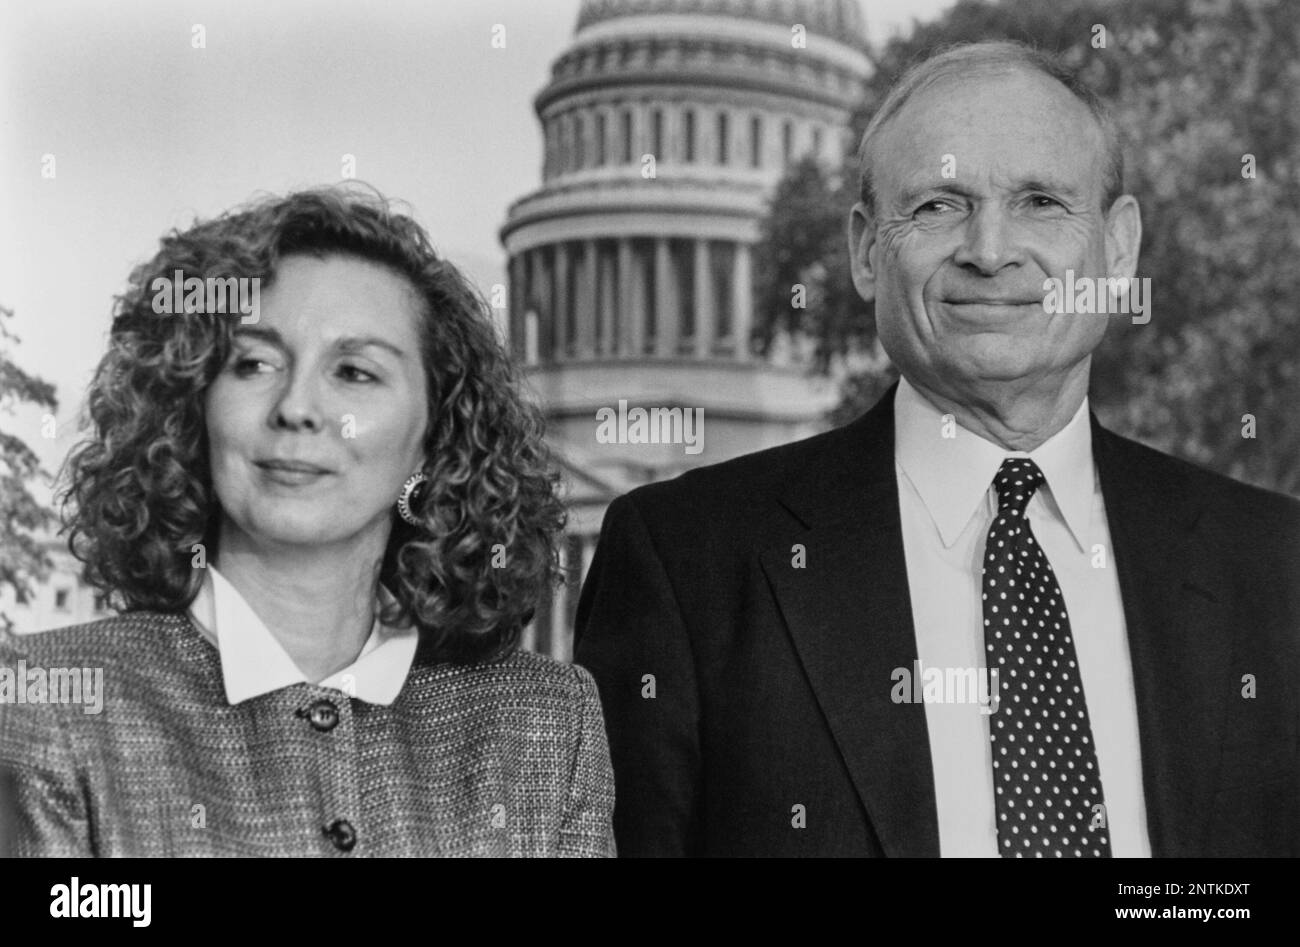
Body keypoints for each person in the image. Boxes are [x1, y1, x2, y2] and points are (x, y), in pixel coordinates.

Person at [574, 41, 1300, 857]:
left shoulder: (1274, 564)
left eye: (1041, 202)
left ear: (1120, 249)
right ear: (863, 251)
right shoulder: (687, 566)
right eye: (937, 207)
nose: (989, 251)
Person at [0, 185, 615, 857]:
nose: (297, 406)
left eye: (354, 371)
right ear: (192, 405)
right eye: (255, 362)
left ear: (435, 435)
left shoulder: (546, 724)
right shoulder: (50, 705)